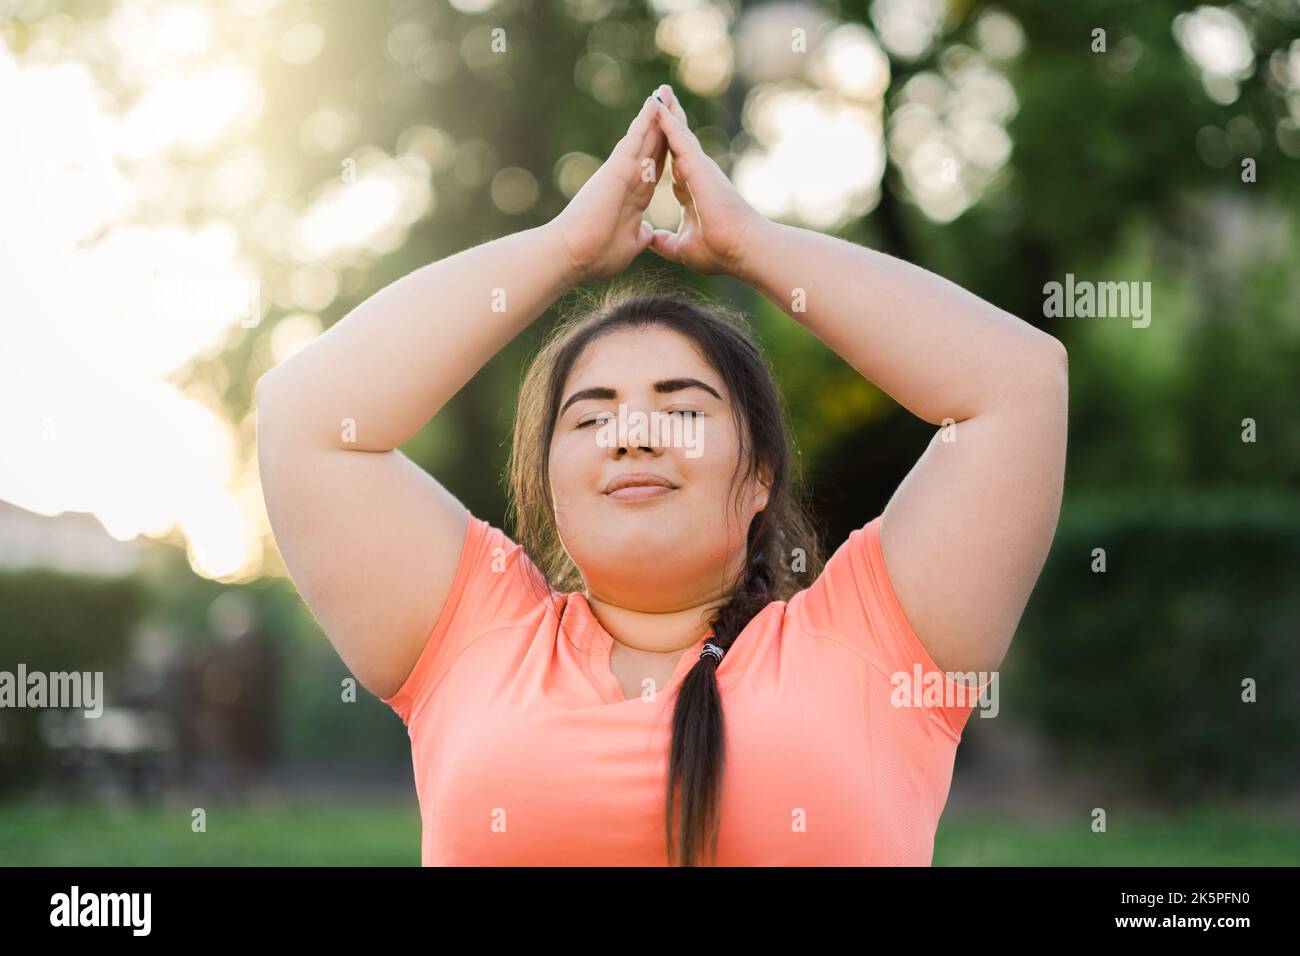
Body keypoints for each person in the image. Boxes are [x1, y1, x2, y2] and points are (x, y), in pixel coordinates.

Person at [255, 84, 1068, 866]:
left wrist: (754, 246)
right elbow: (305, 417)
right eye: (592, 416)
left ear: (759, 479)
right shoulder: (470, 633)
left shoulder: (877, 641)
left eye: (681, 411)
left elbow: (1016, 383)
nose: (633, 435)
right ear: (549, 485)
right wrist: (562, 249)